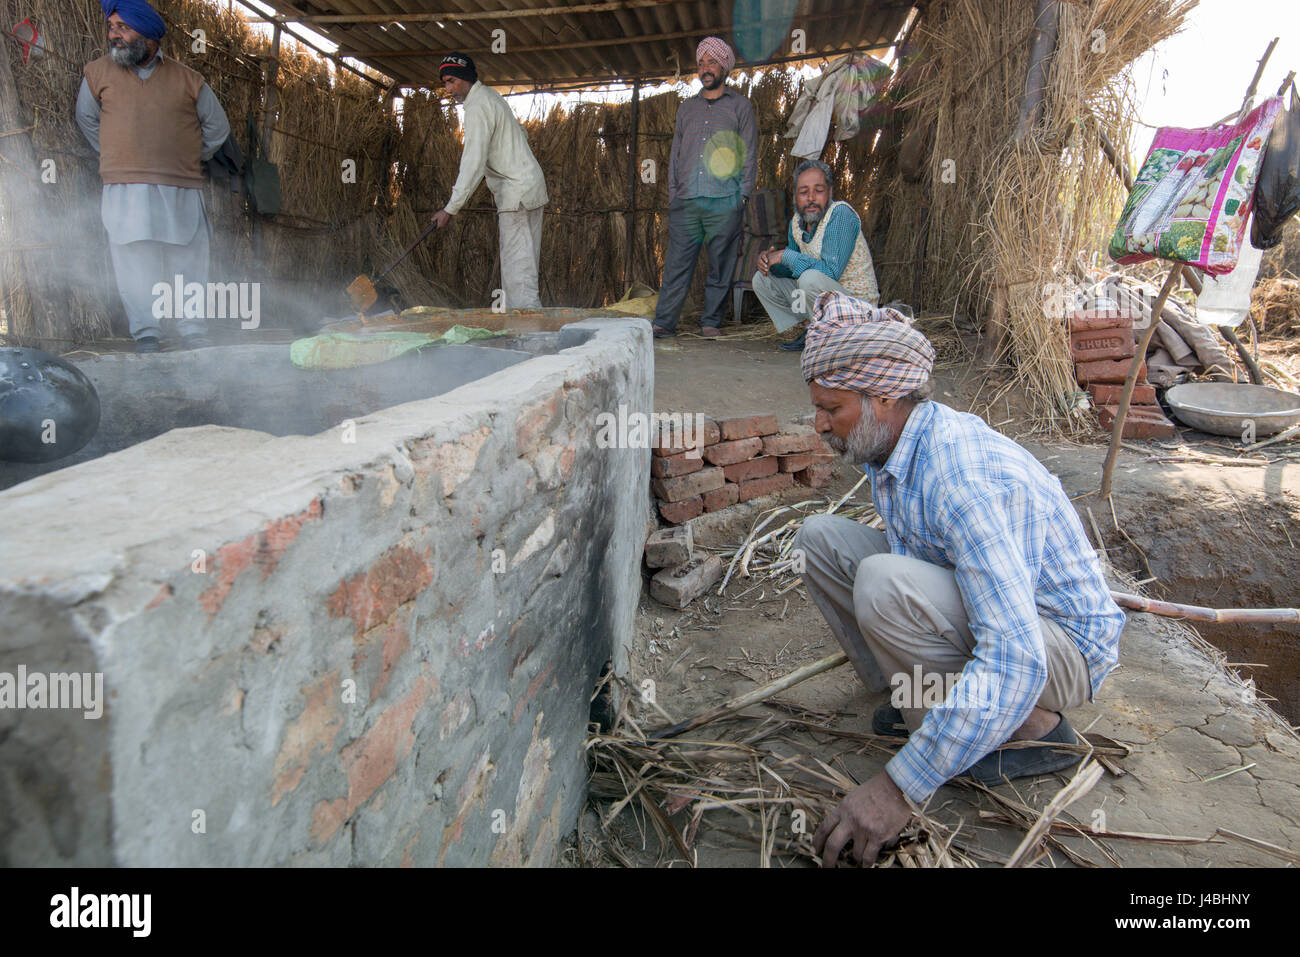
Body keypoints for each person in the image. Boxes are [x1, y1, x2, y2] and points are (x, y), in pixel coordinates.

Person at [791, 292, 1125, 866]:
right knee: (819, 539)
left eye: (832, 409)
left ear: (885, 396)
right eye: (818, 408)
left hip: (1057, 649)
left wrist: (899, 787)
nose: (820, 424)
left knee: (881, 581)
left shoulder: (959, 476)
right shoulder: (891, 444)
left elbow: (1017, 655)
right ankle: (925, 701)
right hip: (1010, 618)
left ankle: (1031, 727)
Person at [76, 0, 231, 354]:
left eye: (124, 28)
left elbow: (217, 128)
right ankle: (147, 334)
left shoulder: (188, 79)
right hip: (124, 187)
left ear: (148, 37)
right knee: (133, 261)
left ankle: (192, 331)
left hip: (179, 185)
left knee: (188, 261)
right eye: (112, 27)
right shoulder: (97, 73)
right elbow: (86, 121)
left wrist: (188, 157)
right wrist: (117, 156)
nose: (115, 35)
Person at [652, 37, 757, 340]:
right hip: (686, 201)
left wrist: (743, 195)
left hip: (725, 201)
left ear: (724, 66)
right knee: (676, 266)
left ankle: (710, 323)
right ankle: (664, 323)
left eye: (712, 62)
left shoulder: (740, 107)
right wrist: (674, 194)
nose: (705, 68)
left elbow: (749, 152)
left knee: (720, 267)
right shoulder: (687, 109)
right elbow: (675, 154)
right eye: (701, 63)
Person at [430, 53, 548, 310]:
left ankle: (531, 339)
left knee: (519, 276)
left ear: (466, 78)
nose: (448, 89)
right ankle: (527, 333)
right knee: (526, 268)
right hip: (529, 189)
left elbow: (472, 162)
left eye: (451, 81)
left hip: (516, 195)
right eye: (445, 83)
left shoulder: (478, 106)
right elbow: (521, 134)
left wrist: (450, 208)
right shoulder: (491, 97)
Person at [753, 159, 879, 352]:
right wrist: (770, 262)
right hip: (825, 302)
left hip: (857, 309)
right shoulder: (797, 222)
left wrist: (784, 256)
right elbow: (792, 268)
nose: (811, 198)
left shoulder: (840, 215)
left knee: (809, 279)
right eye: (803, 192)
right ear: (795, 196)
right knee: (762, 279)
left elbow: (831, 271)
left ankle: (842, 338)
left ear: (828, 193)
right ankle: (813, 330)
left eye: (818, 190)